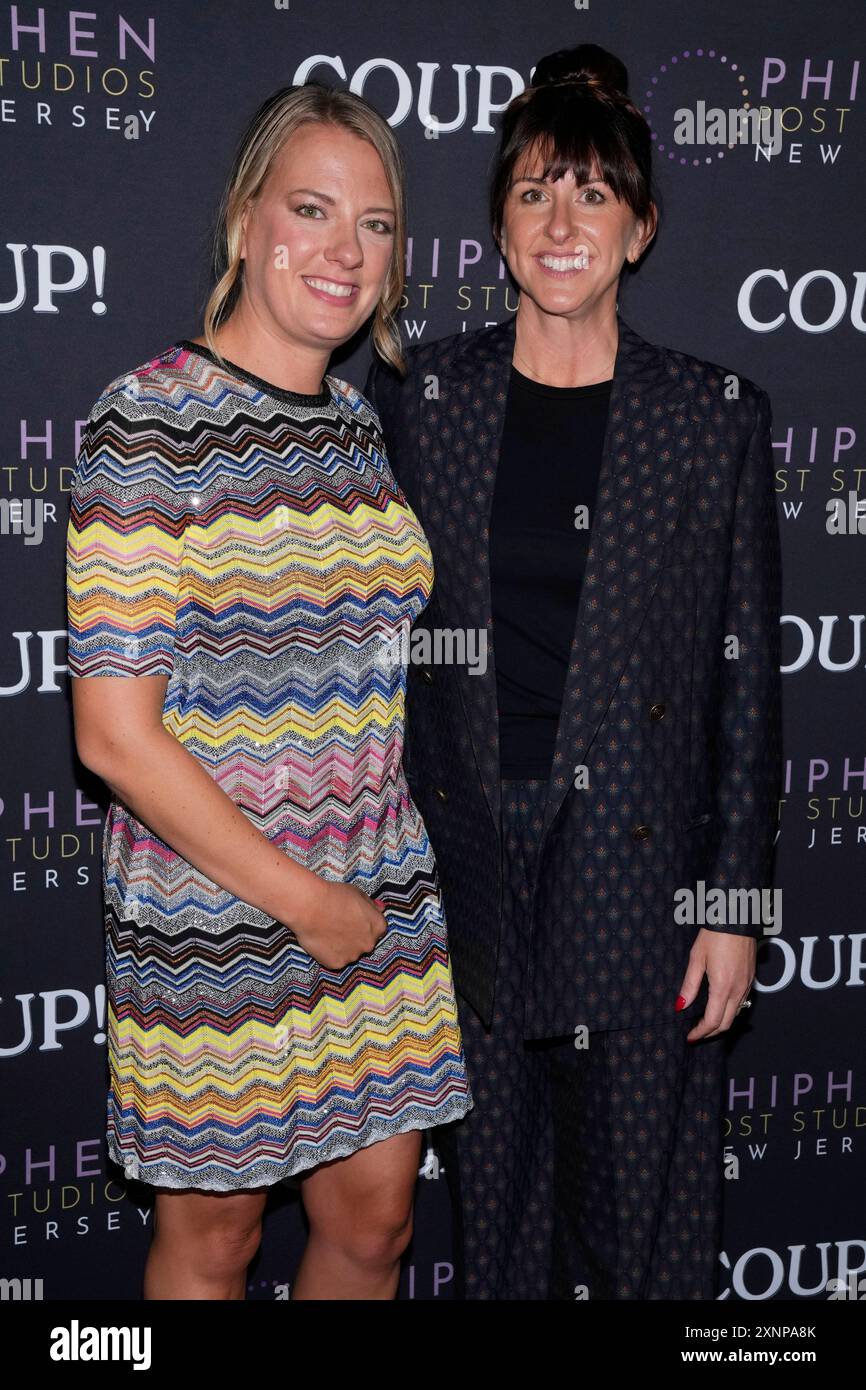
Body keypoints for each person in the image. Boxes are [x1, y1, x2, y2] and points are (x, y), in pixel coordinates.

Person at [364, 42, 782, 1300]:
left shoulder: (711, 415)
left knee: (643, 1248)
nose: (562, 222)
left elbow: (747, 681)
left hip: (638, 883)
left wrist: (733, 907)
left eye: (592, 193)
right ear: (496, 222)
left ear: (640, 227)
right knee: (490, 1235)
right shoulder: (423, 397)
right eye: (535, 190)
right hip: (471, 884)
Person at [65, 82, 472, 1301]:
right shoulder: (146, 427)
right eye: (313, 209)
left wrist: (355, 904)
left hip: (378, 888)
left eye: (378, 224)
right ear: (249, 222)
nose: (346, 250)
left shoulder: (355, 423)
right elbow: (115, 738)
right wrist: (307, 902)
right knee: (217, 1241)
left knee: (376, 1227)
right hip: (216, 918)